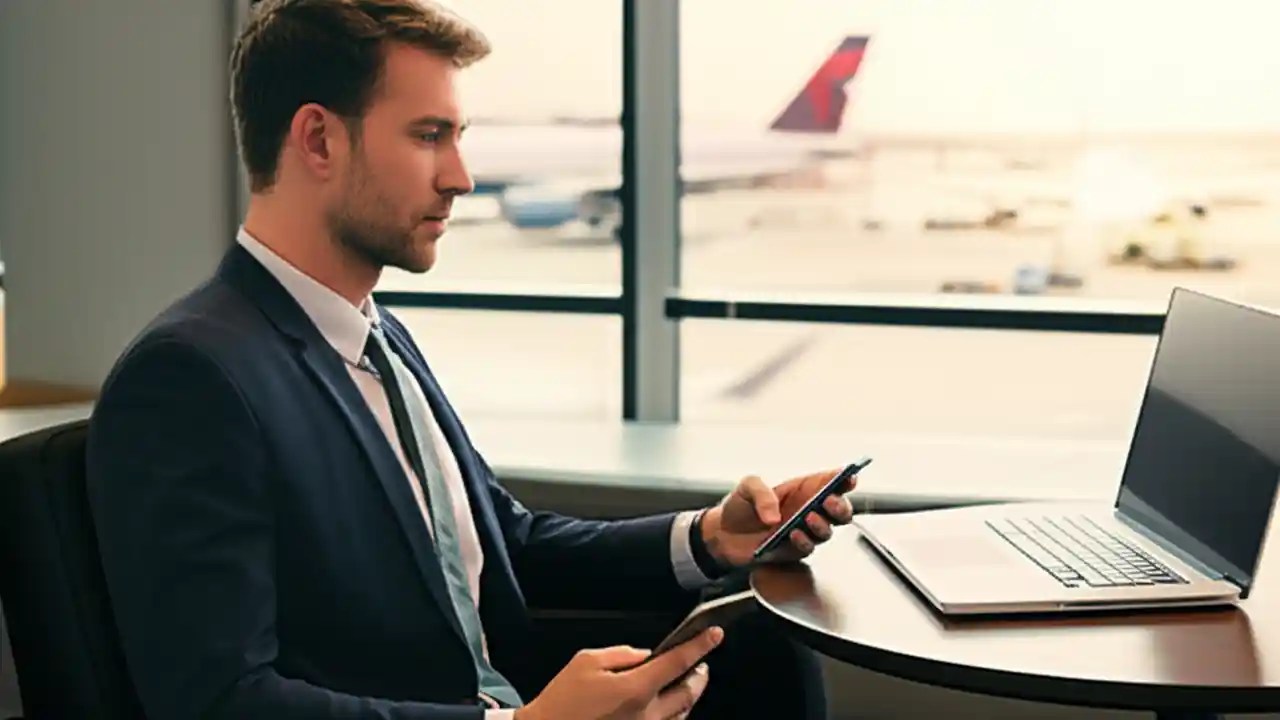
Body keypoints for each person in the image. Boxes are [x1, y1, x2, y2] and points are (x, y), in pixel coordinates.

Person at [85, 1, 860, 718]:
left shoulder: (376, 339)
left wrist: (708, 538)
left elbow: (505, 546)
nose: (461, 176)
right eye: (429, 136)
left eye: (459, 137)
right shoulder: (192, 378)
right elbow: (219, 702)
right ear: (318, 139)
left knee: (767, 647)